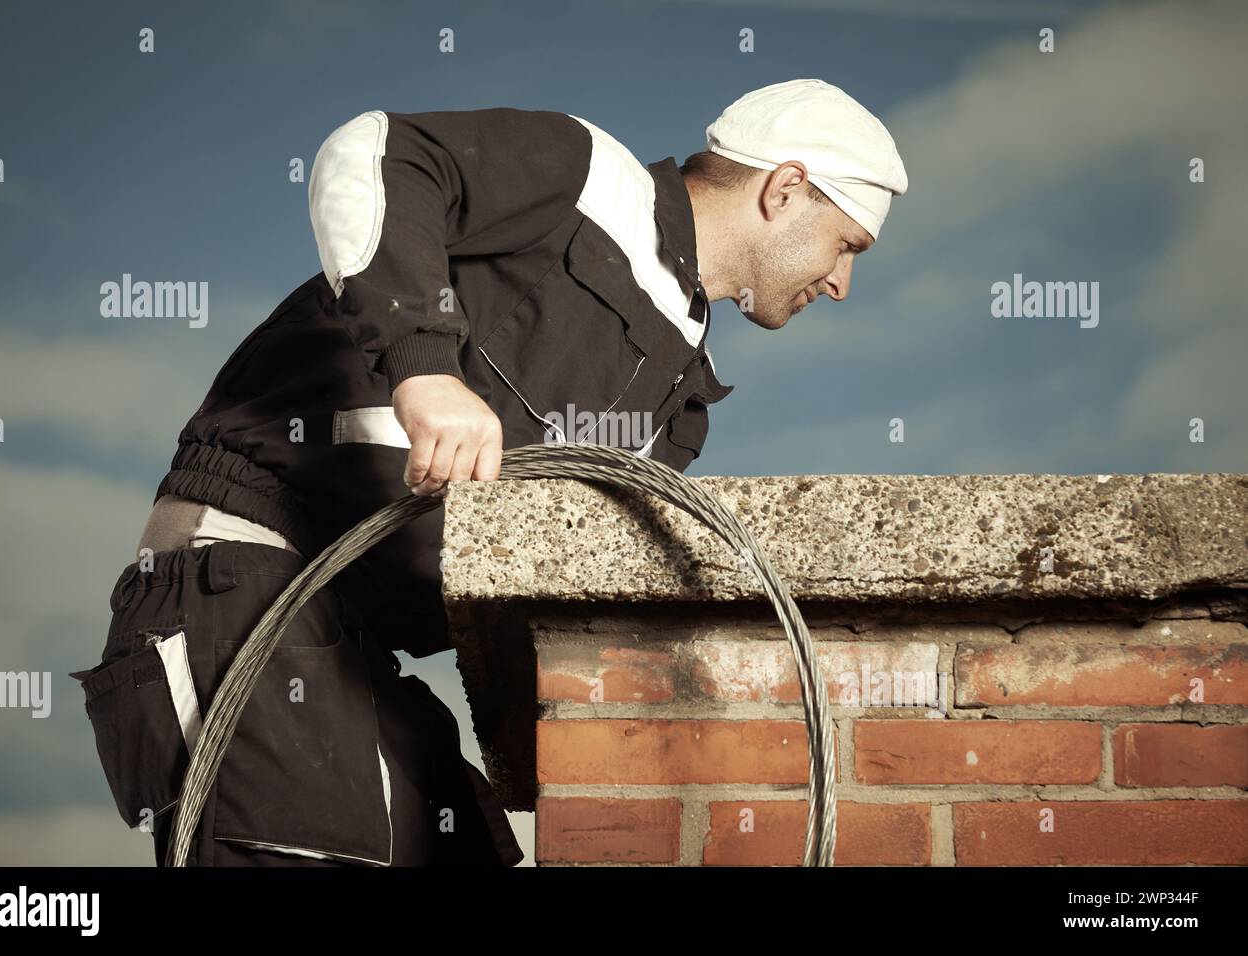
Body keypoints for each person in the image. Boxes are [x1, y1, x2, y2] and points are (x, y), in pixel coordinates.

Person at [72, 78, 907, 866]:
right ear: (785, 189)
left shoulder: (683, 403)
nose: (842, 282)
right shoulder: (588, 179)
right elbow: (372, 153)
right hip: (243, 587)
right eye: (847, 245)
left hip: (359, 653)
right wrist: (425, 370)